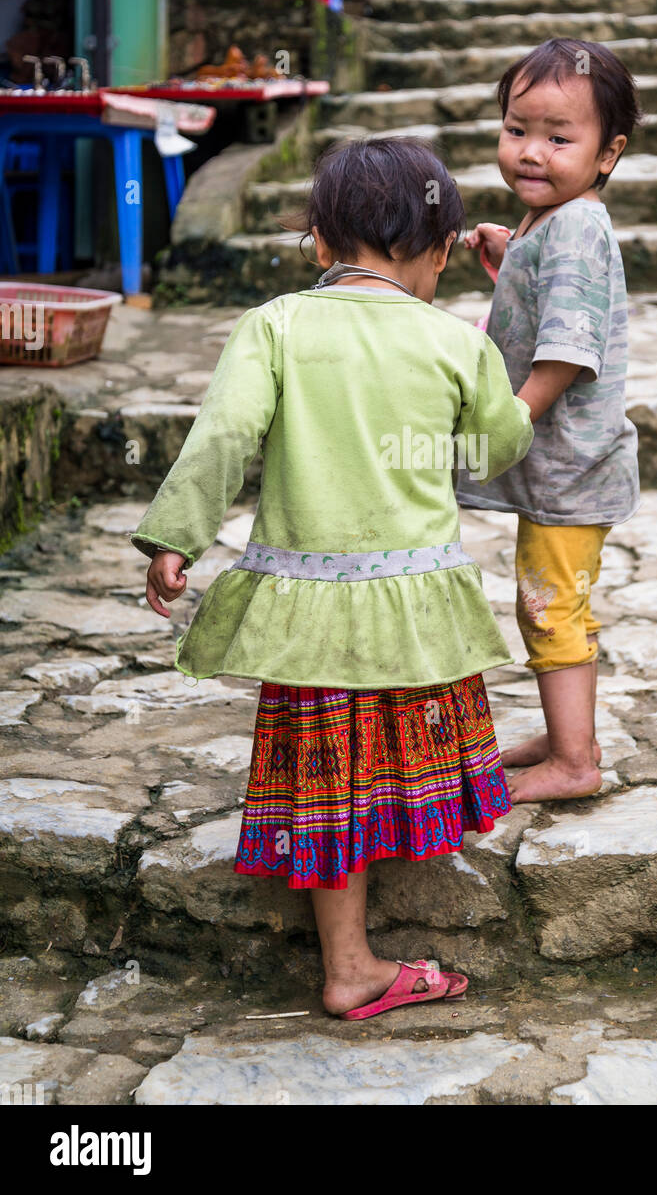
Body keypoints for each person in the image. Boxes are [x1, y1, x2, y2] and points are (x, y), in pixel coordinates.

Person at [129, 138, 533, 1019]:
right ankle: (354, 964)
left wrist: (176, 536)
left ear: (319, 242)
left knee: (326, 775)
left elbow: (223, 437)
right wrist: (497, 319)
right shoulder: (448, 342)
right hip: (413, 614)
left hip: (307, 612)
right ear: (439, 251)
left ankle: (349, 956)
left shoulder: (274, 324)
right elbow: (499, 446)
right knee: (390, 756)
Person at [457, 38, 642, 804]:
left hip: (571, 464)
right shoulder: (548, 222)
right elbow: (548, 303)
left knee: (546, 606)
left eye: (559, 138)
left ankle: (574, 764)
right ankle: (571, 735)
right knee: (552, 603)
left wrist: (507, 416)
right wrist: (510, 261)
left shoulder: (573, 229)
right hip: (567, 465)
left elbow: (566, 350)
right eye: (515, 129)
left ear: (608, 154)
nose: (531, 152)